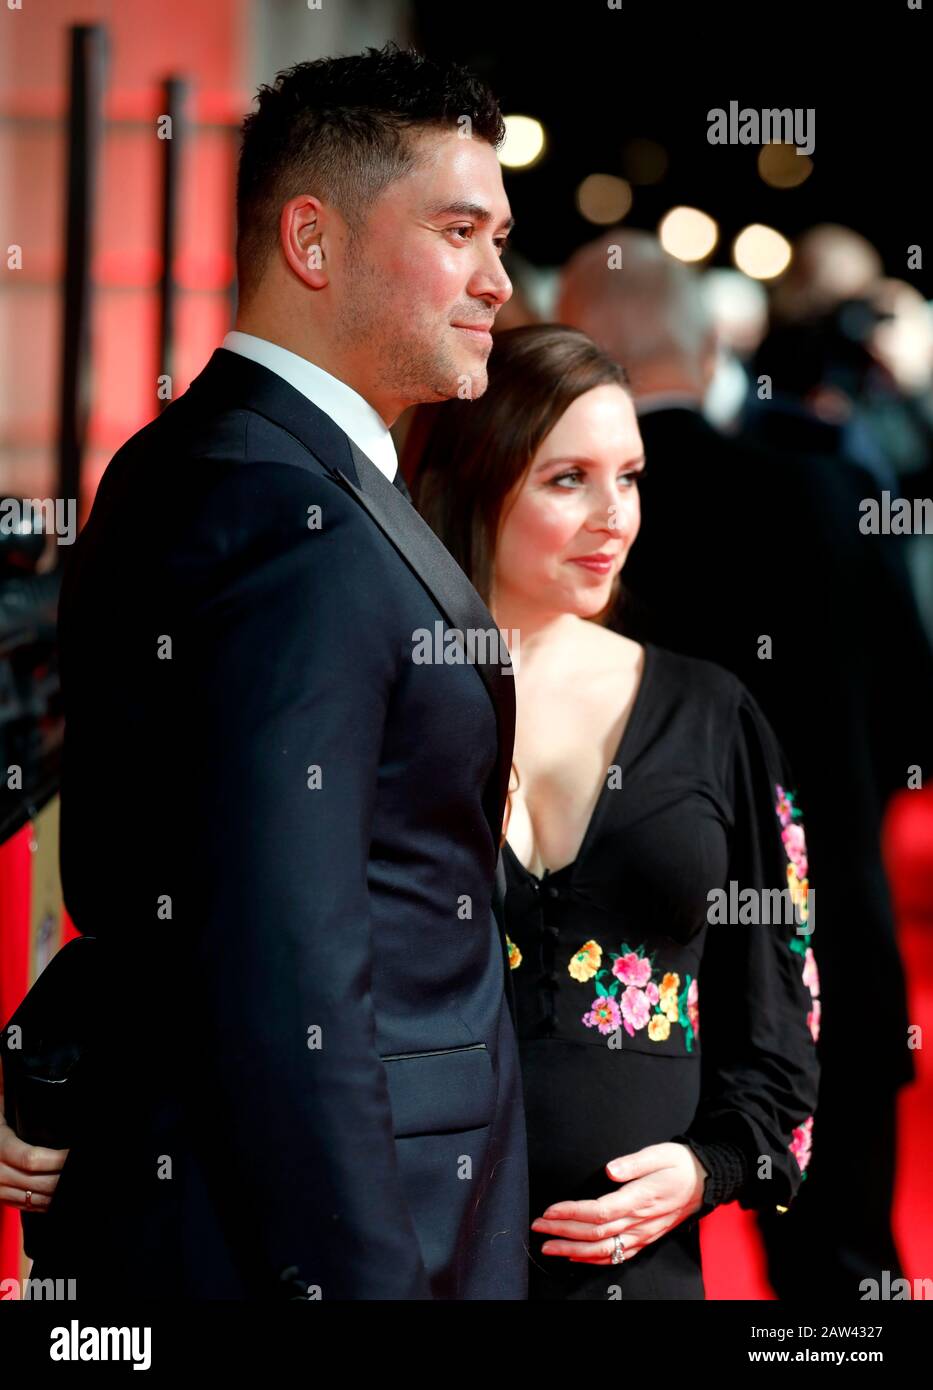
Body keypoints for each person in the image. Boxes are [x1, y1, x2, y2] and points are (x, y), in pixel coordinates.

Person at [0, 42, 528, 1300]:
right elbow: (289, 959)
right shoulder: (285, 514)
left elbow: (184, 871)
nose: (499, 280)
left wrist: (64, 1036)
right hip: (346, 1227)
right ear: (312, 240)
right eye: (460, 231)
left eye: (500, 236)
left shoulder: (207, 462)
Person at [406, 323, 821, 1299]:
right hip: (417, 1251)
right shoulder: (392, 707)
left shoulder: (712, 712)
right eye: (568, 480)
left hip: (640, 1272)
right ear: (476, 477)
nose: (614, 517)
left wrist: (708, 1166)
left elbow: (783, 997)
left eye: (628, 477)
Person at [557, 228, 933, 1298]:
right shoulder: (826, 495)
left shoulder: (559, 526)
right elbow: (913, 727)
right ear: (706, 342)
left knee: (608, 1269)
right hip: (831, 959)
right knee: (843, 1277)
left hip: (626, 978)